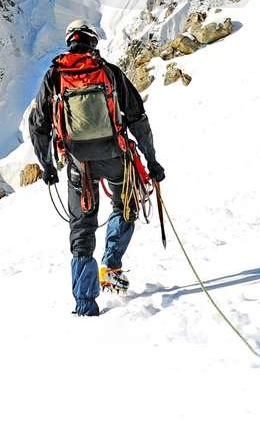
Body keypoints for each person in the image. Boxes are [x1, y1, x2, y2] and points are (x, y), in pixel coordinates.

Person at [28, 20, 165, 316]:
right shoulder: (109, 72)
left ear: (70, 42)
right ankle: (111, 265)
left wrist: (47, 165)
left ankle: (85, 304)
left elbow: (38, 124)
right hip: (115, 157)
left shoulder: (55, 76)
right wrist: (151, 161)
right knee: (126, 205)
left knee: (82, 230)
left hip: (78, 164)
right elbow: (137, 118)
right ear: (92, 42)